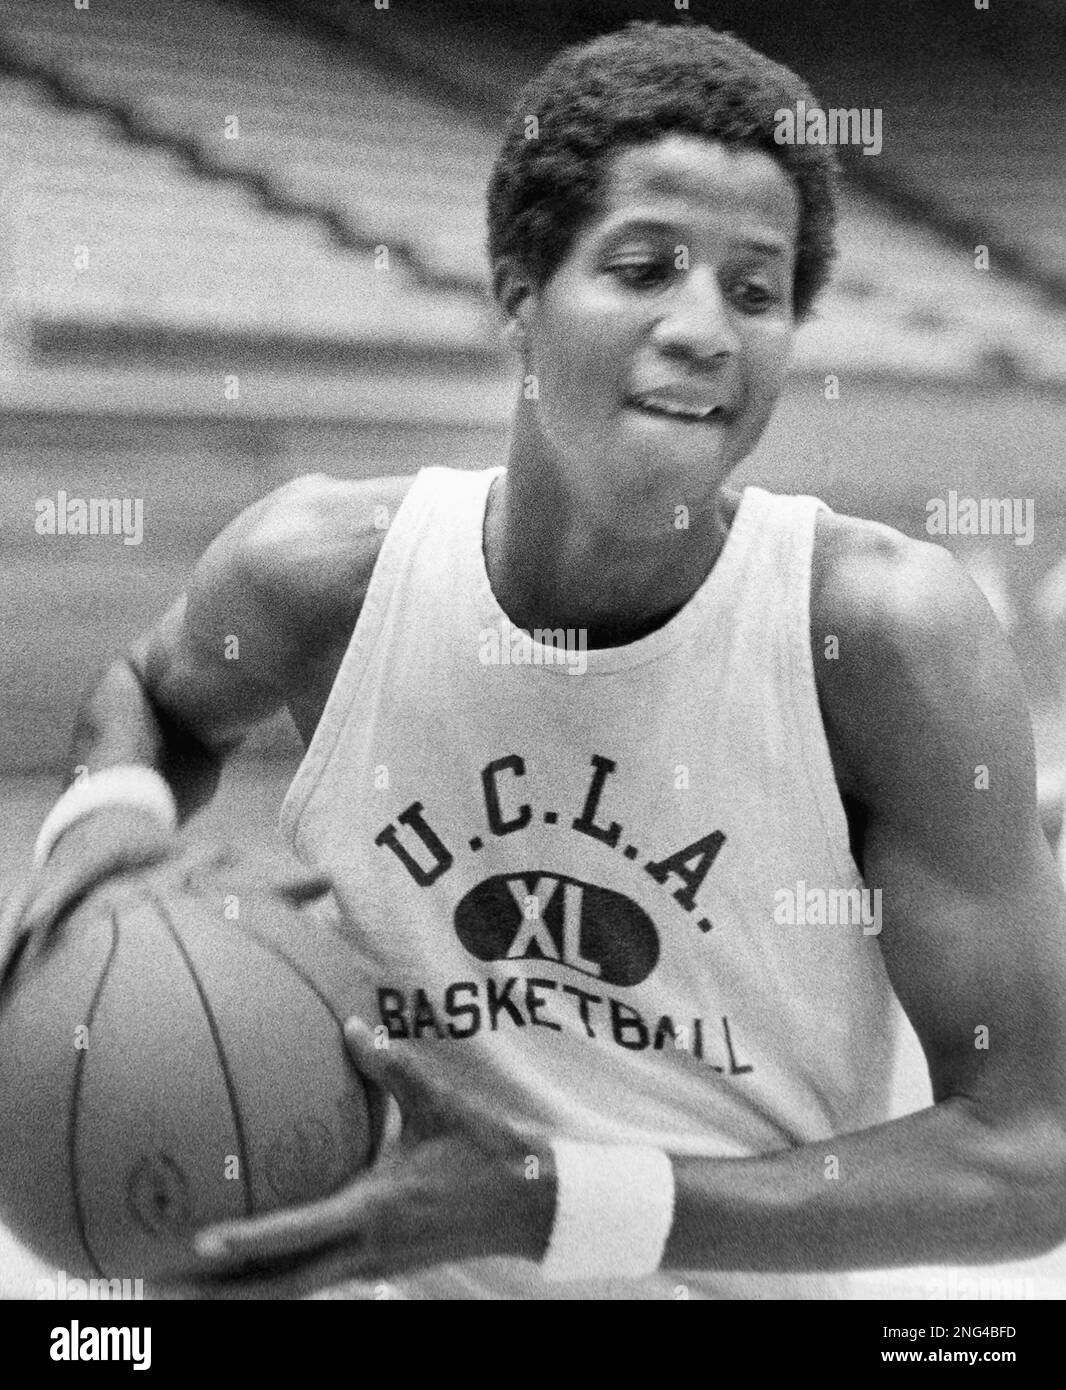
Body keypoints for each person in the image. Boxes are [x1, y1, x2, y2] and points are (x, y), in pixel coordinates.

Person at [5, 21, 1066, 1300]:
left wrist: (557, 1204)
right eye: (643, 269)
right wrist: (100, 825)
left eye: (754, 288)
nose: (704, 330)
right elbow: (151, 694)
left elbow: (1028, 1153)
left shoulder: (882, 639)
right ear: (519, 291)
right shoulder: (320, 571)